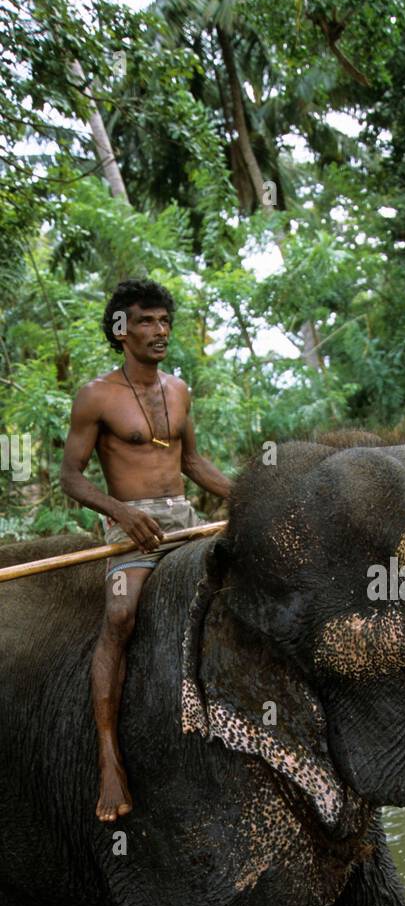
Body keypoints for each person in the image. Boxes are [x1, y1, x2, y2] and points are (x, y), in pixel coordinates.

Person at [60, 279, 232, 823]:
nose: (158, 332)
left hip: (186, 521)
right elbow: (71, 478)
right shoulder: (96, 396)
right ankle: (109, 757)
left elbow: (195, 466)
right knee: (120, 613)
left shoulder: (179, 390)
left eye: (163, 321)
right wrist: (121, 512)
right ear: (121, 330)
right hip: (130, 529)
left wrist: (247, 495)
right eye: (145, 322)